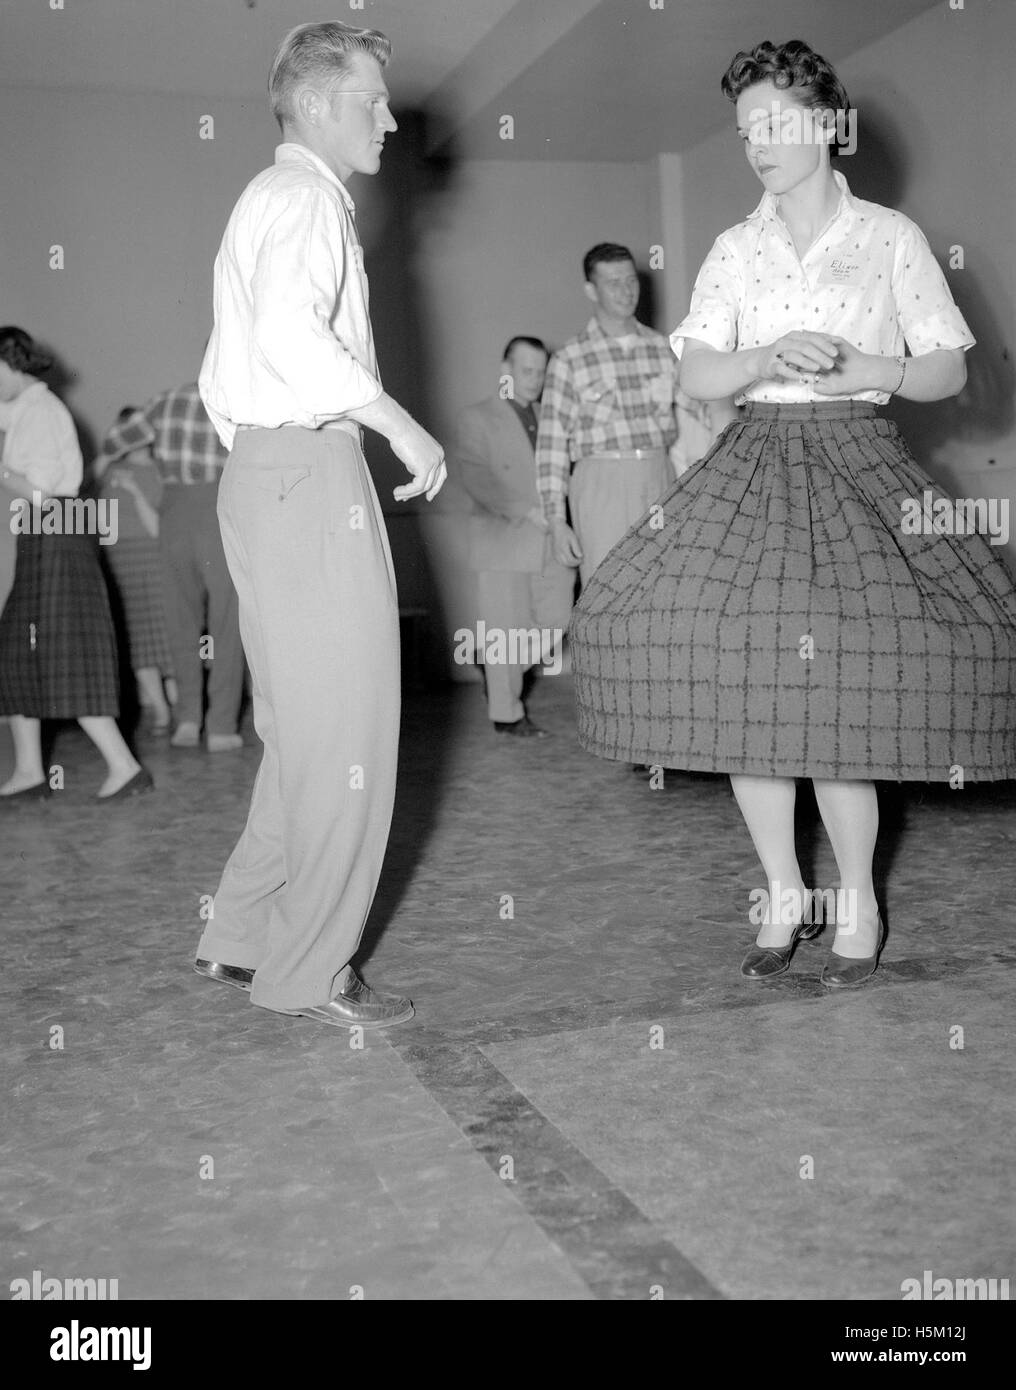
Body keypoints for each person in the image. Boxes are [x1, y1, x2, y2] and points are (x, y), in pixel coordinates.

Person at [568, 39, 1016, 989]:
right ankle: (781, 892)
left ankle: (856, 894)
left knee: (844, 692)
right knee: (746, 684)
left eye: (773, 125)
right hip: (759, 464)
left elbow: (947, 367)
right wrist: (767, 354)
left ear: (827, 122)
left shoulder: (890, 237)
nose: (757, 146)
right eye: (744, 132)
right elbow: (696, 369)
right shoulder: (736, 246)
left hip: (860, 461)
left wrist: (869, 367)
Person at [193, 20, 445, 1028]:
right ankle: (310, 974)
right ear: (310, 102)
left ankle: (245, 933)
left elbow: (237, 369)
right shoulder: (303, 198)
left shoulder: (271, 199)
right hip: (305, 468)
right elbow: (296, 338)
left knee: (305, 735)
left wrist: (291, 456)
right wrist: (398, 426)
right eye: (371, 98)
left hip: (267, 469)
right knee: (349, 735)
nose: (389, 117)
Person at [0, 328, 152, 802]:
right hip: (42, 535)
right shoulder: (23, 409)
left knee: (67, 653)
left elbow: (42, 493)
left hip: (56, 530)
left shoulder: (42, 412)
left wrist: (2, 472)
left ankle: (124, 767)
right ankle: (28, 771)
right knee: (18, 655)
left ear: (10, 365)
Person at [96, 383, 245, 752]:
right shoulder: (240, 398)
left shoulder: (167, 400)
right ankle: (222, 727)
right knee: (227, 624)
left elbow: (115, 441)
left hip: (175, 513)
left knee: (181, 624)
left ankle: (188, 721)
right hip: (218, 509)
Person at [451, 337, 576, 737]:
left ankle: (492, 664)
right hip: (503, 537)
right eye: (527, 370)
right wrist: (526, 510)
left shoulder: (551, 416)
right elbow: (475, 476)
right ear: (506, 368)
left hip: (549, 537)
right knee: (505, 630)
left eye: (542, 371)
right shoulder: (477, 417)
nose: (536, 379)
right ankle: (507, 715)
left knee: (559, 617)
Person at [535, 243, 680, 587]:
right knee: (608, 589)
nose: (626, 290)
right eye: (613, 282)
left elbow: (697, 419)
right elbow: (551, 447)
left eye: (631, 280)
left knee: (667, 586)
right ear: (591, 290)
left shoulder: (663, 349)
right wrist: (556, 521)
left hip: (660, 476)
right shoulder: (570, 358)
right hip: (602, 484)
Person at [96, 408, 175, 734]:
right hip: (119, 560)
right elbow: (87, 477)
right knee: (138, 637)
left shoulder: (161, 471)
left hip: (153, 556)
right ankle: (160, 711)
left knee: (166, 633)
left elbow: (158, 527)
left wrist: (134, 491)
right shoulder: (112, 468)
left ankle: (179, 705)